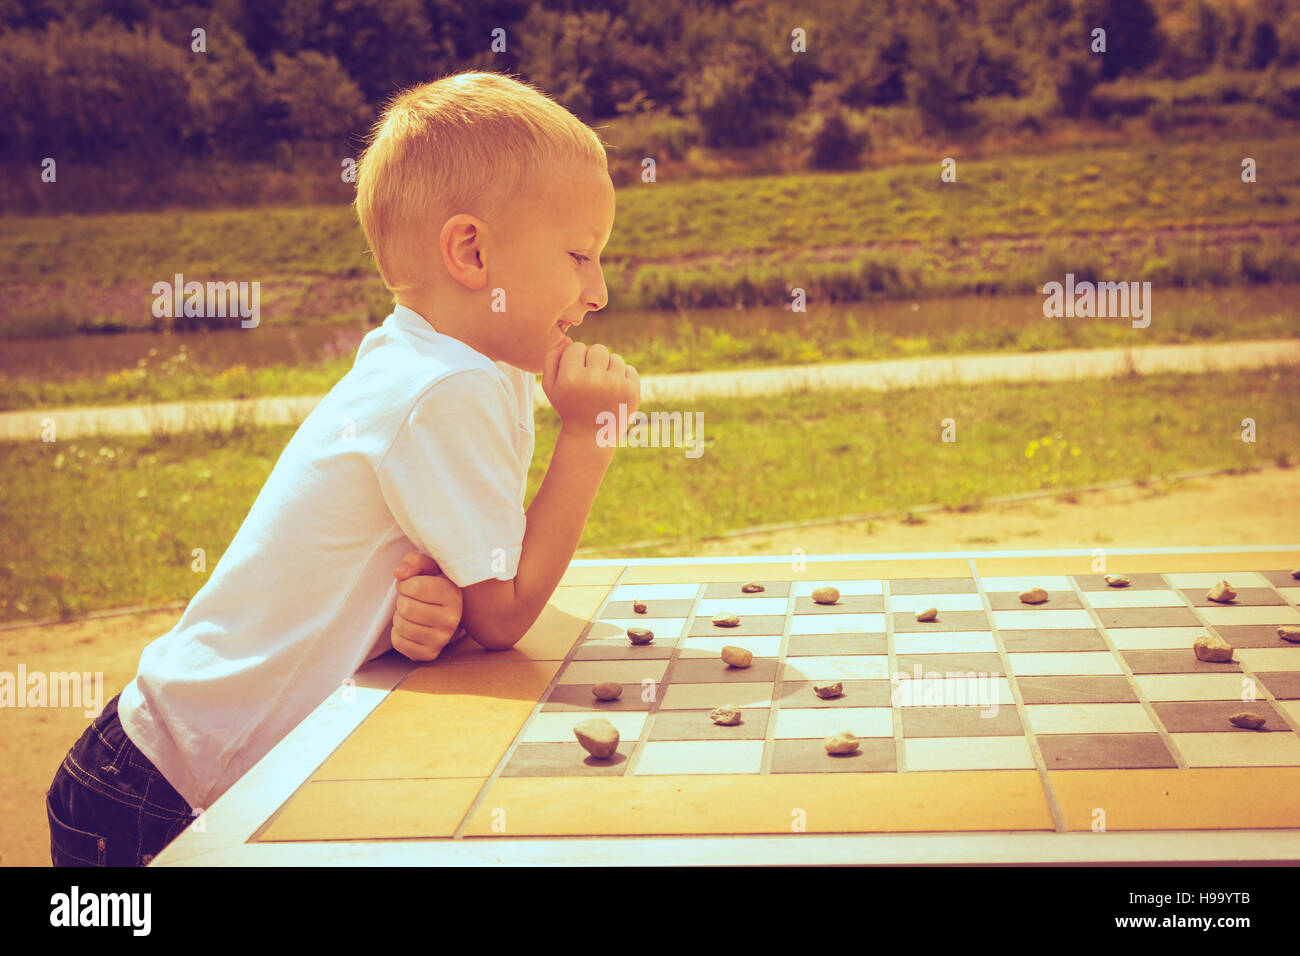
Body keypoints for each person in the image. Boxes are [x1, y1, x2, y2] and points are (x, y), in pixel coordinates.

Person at [46, 70, 640, 866]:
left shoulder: (447, 360)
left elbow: (464, 591)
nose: (597, 290)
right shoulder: (447, 386)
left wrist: (442, 607)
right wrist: (589, 436)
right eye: (580, 255)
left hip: (152, 759)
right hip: (159, 794)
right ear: (471, 251)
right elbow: (505, 617)